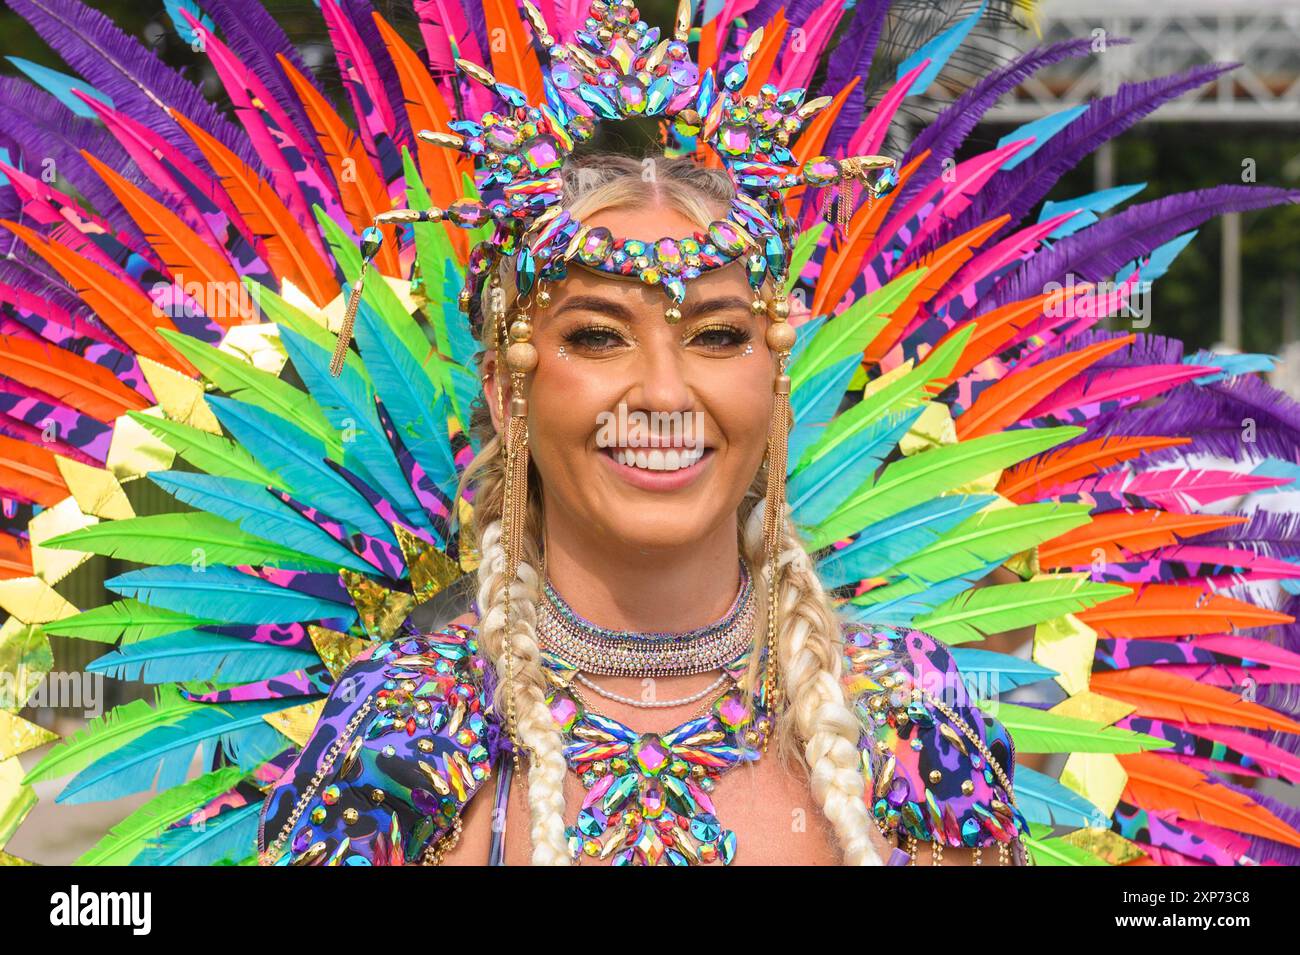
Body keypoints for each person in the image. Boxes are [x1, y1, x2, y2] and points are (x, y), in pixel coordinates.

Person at [5, 0, 1298, 869]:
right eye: (599, 334)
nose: (665, 388)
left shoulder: (909, 716)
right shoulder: (400, 739)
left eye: (721, 335)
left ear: (778, 389)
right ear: (510, 393)